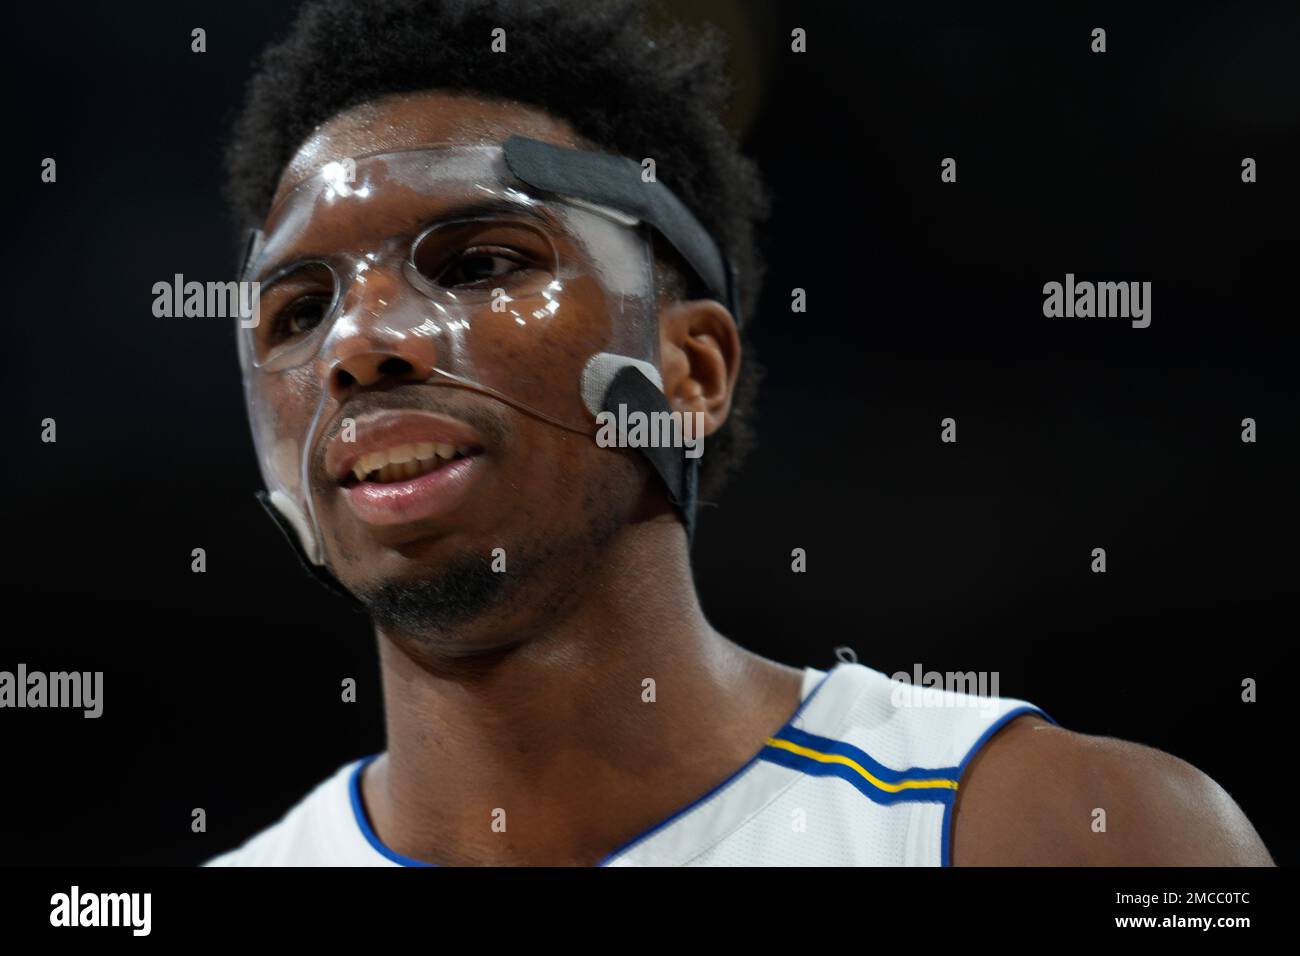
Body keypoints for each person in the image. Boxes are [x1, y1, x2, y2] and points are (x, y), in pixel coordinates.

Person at [206, 0, 1272, 866]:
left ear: (689, 370)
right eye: (299, 308)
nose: (359, 341)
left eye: (482, 262)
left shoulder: (1071, 829)